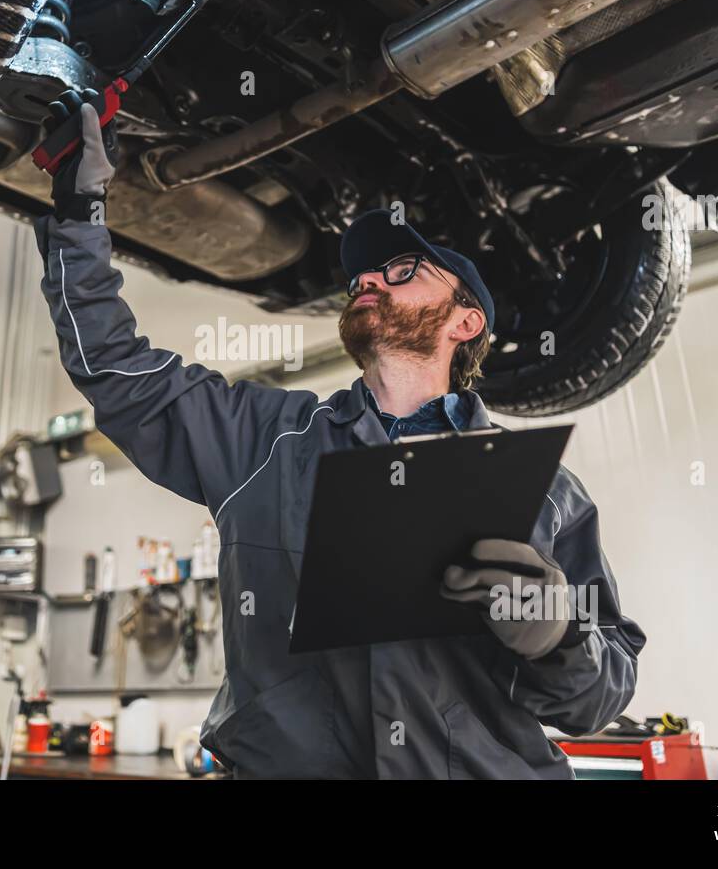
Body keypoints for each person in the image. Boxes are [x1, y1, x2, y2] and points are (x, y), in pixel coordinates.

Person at [32, 90, 645, 779]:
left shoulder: (545, 492)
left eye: (402, 271)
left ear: (464, 322)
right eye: (363, 277)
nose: (371, 282)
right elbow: (119, 374)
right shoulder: (264, 443)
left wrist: (557, 634)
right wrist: (79, 214)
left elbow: (601, 696)